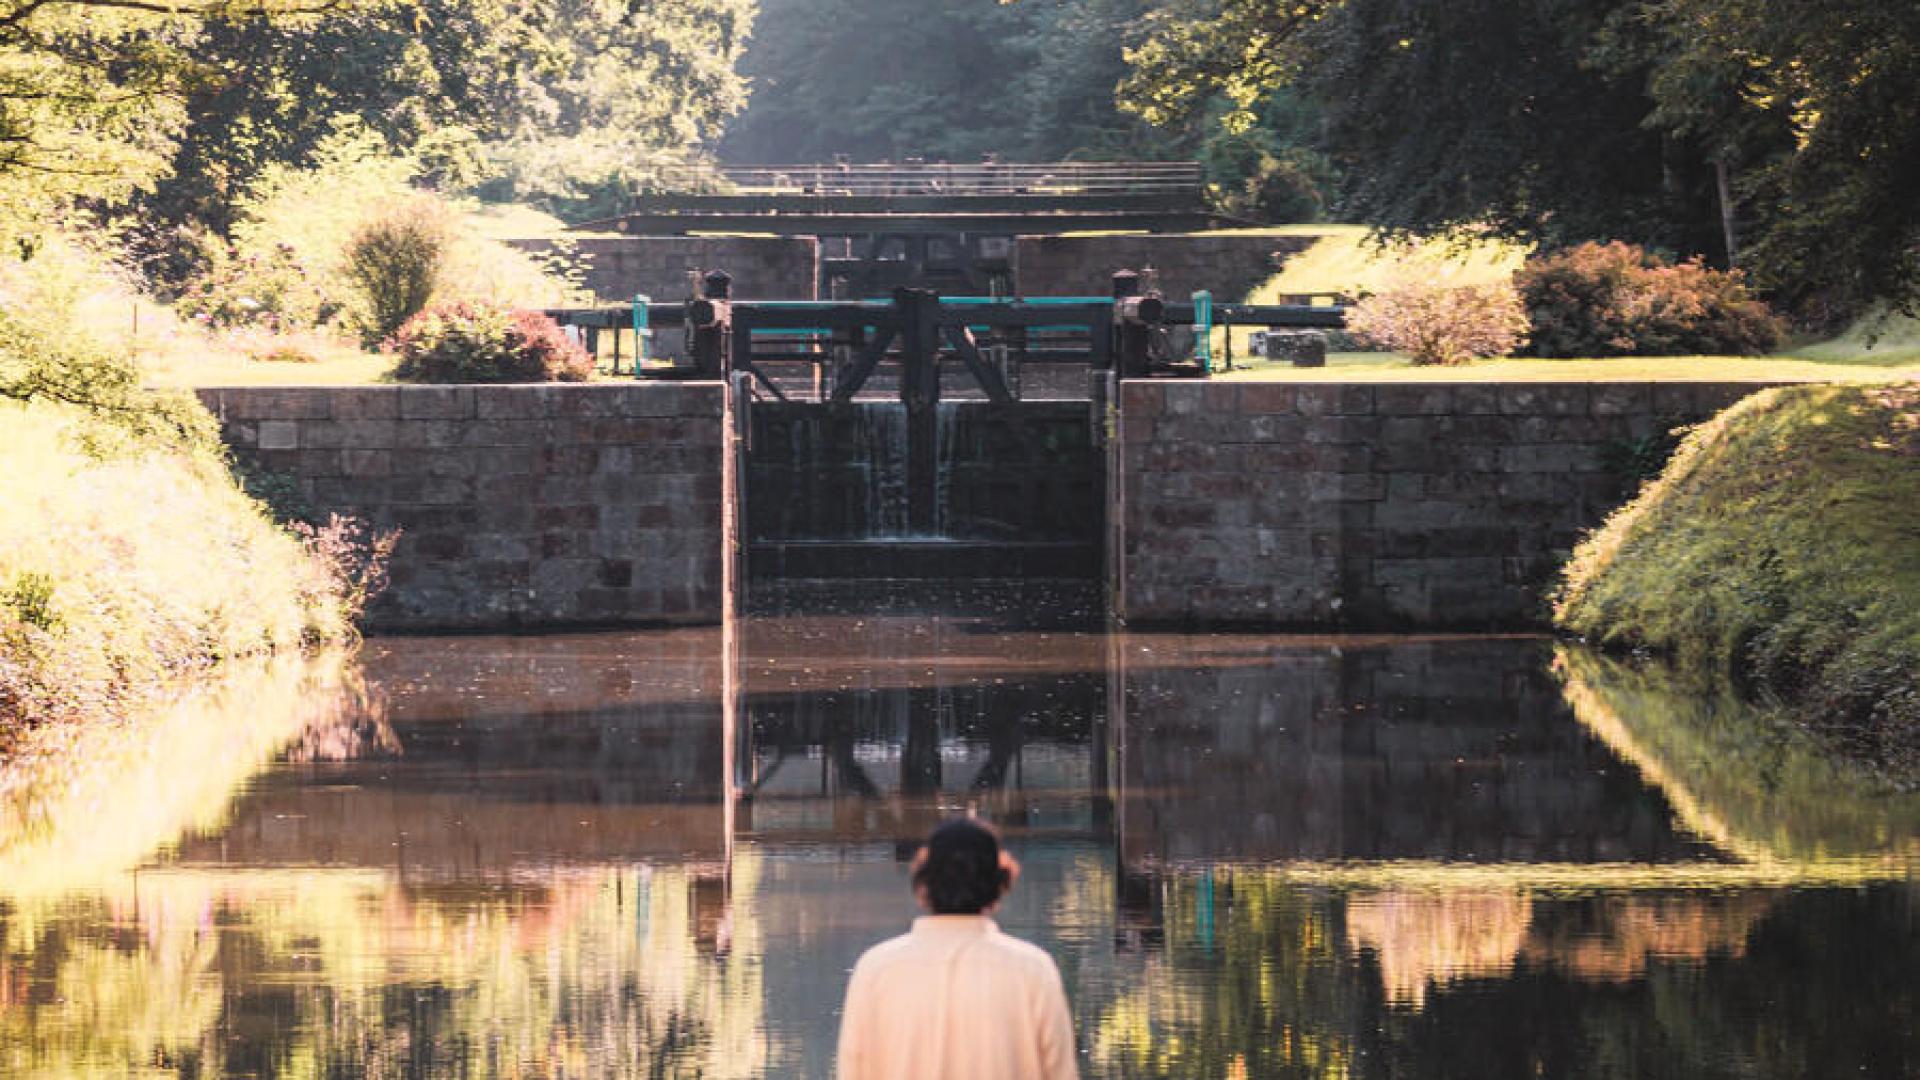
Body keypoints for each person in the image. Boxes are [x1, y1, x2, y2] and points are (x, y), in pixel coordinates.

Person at [835, 818, 1078, 1080]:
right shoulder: (1033, 971)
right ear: (1000, 882)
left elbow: (853, 1071)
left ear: (923, 883)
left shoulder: (876, 969)